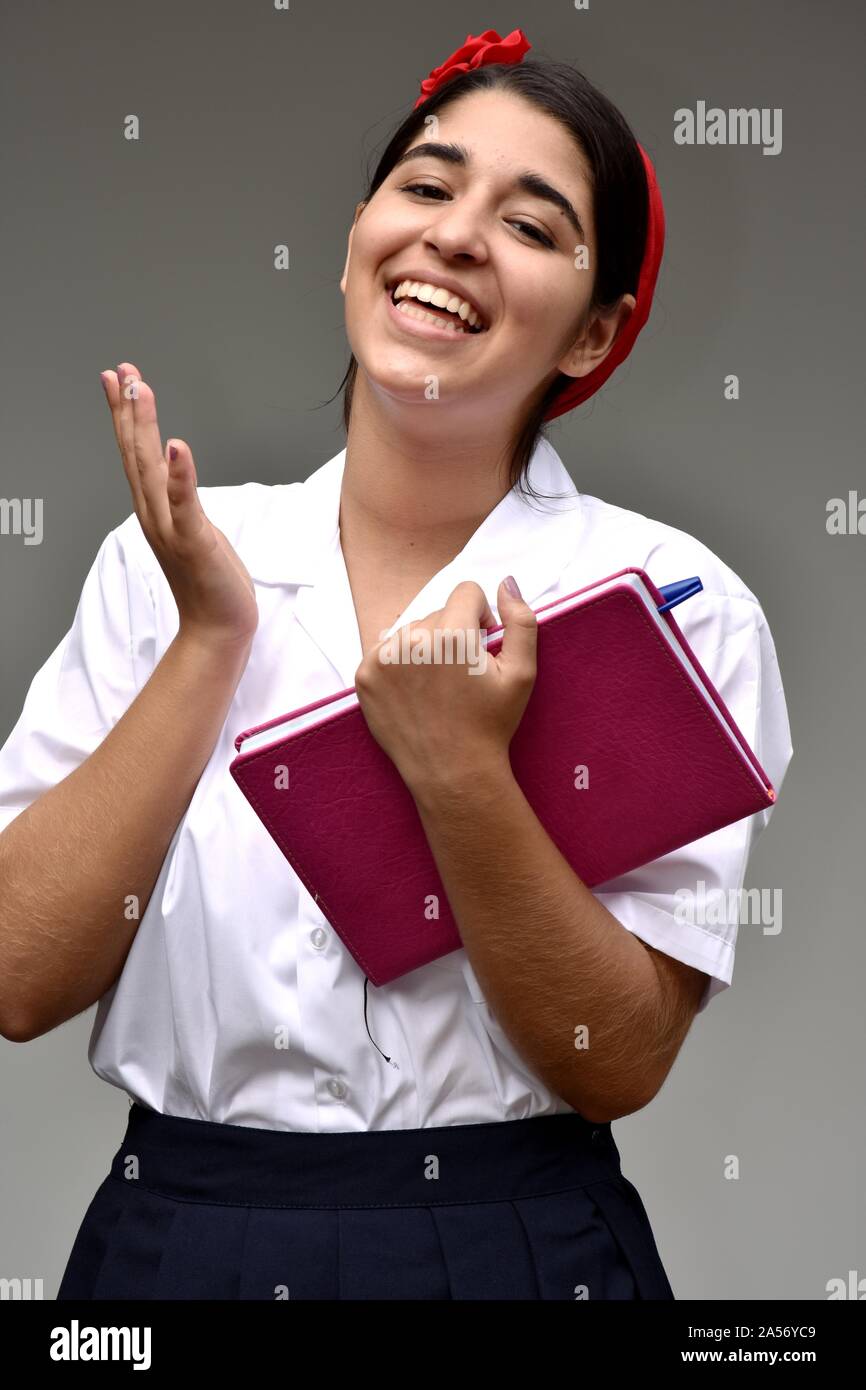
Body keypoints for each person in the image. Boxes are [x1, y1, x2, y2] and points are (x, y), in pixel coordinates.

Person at [0, 29, 792, 1300]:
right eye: (425, 187)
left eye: (531, 226)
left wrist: (462, 775)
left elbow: (615, 1061)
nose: (455, 236)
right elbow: (17, 976)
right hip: (176, 1247)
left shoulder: (669, 608)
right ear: (356, 239)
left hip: (515, 1252)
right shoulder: (169, 561)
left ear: (592, 336)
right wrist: (212, 639)